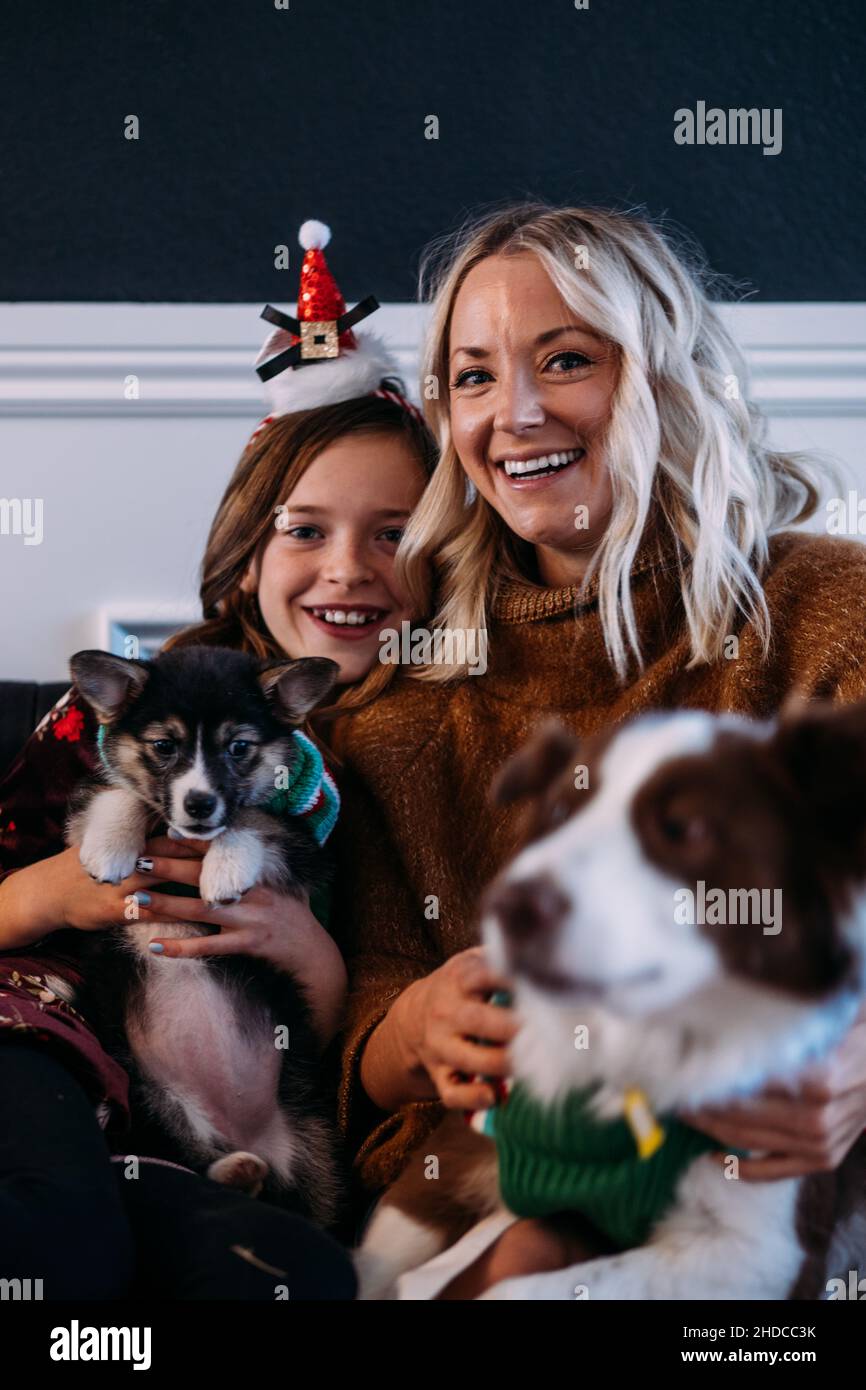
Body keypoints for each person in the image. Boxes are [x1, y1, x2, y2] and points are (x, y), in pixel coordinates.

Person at [332, 202, 866, 1297]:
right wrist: (411, 1026)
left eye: (565, 359)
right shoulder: (403, 708)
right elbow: (358, 1019)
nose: (513, 413)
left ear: (666, 379)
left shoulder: (828, 613)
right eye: (471, 377)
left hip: (774, 1190)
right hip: (527, 1172)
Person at [0, 221, 436, 1300]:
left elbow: (379, 1032)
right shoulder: (111, 717)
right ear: (246, 548)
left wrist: (310, 958)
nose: (349, 568)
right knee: (55, 1246)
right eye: (304, 530)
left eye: (393, 532)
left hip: (241, 1113)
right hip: (45, 1043)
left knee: (283, 1275)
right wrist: (65, 889)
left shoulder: (421, 756)